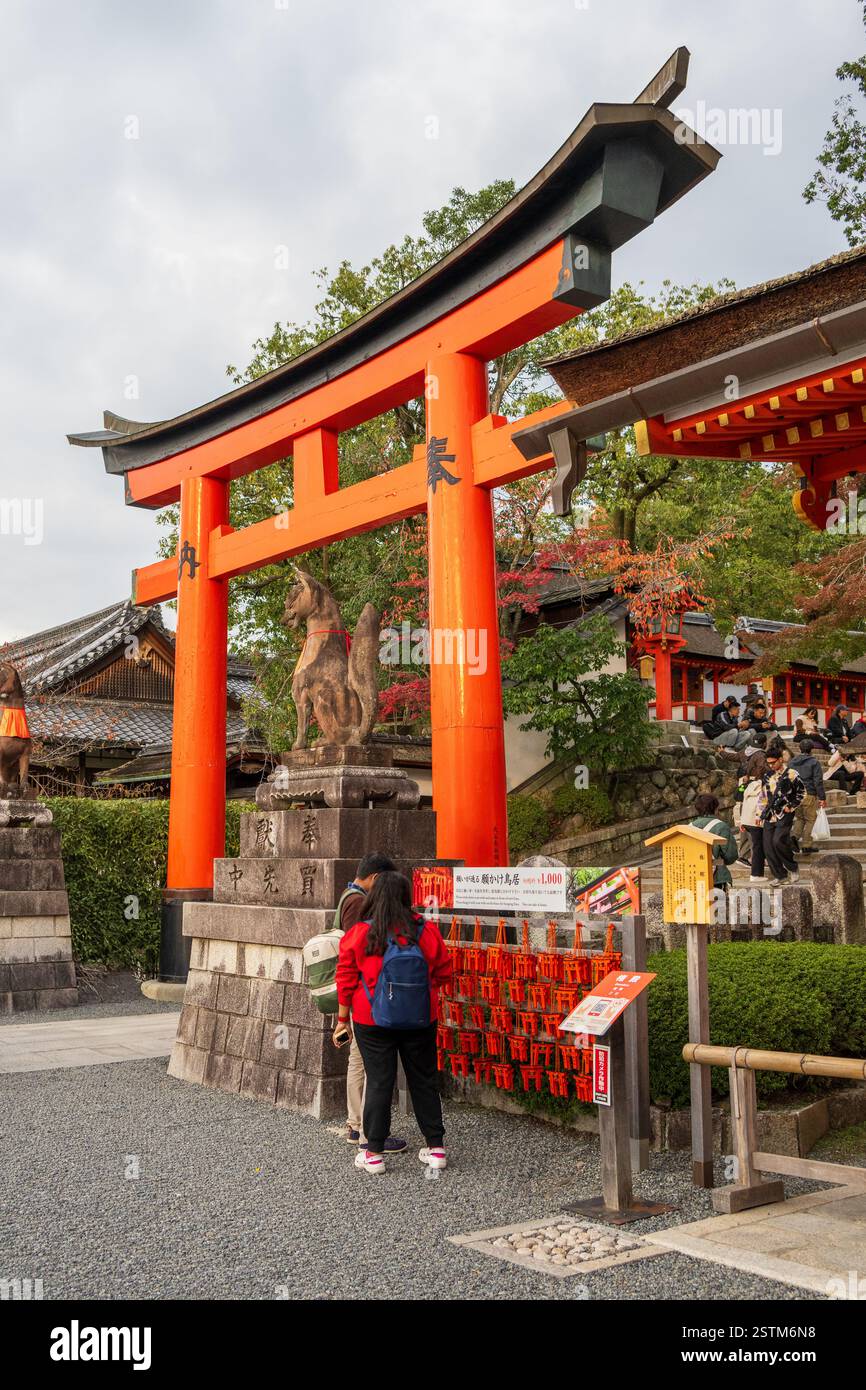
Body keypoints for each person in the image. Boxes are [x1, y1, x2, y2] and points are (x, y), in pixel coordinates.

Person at [334, 871, 453, 1175]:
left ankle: (373, 1153)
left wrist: (342, 1019)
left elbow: (345, 978)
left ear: (374, 896)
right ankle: (436, 1148)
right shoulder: (424, 930)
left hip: (371, 1018)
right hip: (420, 1017)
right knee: (423, 1079)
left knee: (379, 1081)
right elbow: (443, 971)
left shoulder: (361, 932)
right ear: (406, 896)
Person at [336, 853, 407, 1154]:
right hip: (366, 997)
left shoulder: (349, 895)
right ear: (378, 878)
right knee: (369, 1066)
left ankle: (355, 1125)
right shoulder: (357, 902)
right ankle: (368, 1132)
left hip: (357, 997)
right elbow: (354, 955)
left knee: (358, 1060)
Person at [761, 750, 805, 886]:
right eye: (768, 763)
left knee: (778, 840)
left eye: (773, 762)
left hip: (785, 813)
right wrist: (759, 813)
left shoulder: (792, 774)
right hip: (769, 814)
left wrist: (790, 806)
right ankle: (780, 876)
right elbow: (763, 795)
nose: (771, 765)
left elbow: (802, 793)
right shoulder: (767, 775)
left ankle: (792, 867)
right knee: (768, 846)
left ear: (781, 759)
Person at [690, 793, 739, 888]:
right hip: (716, 877)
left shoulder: (689, 827)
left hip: (693, 876)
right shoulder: (721, 827)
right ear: (715, 808)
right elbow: (731, 855)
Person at [789, 739, 827, 854]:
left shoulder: (792, 762)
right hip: (809, 793)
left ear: (800, 749)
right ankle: (806, 845)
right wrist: (822, 797)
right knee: (810, 820)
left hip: (796, 794)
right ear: (811, 750)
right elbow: (818, 781)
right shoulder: (814, 762)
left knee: (800, 818)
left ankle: (794, 837)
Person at [738, 753, 770, 884]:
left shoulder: (751, 785)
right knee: (758, 848)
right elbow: (762, 803)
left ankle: (758, 872)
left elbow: (744, 803)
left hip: (747, 820)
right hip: (756, 820)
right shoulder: (764, 786)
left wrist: (741, 821)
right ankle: (756, 874)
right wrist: (759, 817)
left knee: (757, 846)